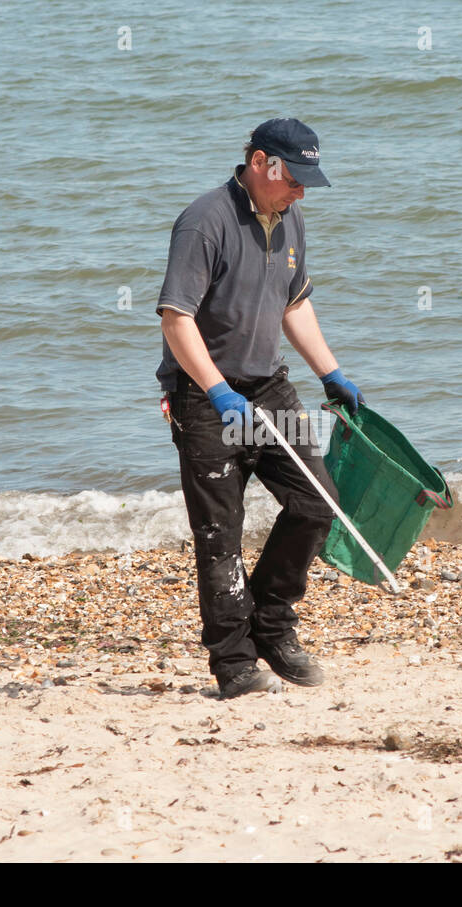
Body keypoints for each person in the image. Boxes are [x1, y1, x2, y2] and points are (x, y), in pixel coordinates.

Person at [156, 117, 365, 699]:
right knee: (220, 535)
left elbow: (293, 305)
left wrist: (332, 373)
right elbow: (178, 318)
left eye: (306, 180)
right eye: (294, 178)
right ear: (258, 163)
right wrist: (218, 391)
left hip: (270, 389)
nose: (301, 190)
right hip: (204, 396)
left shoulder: (290, 215)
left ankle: (273, 625)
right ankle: (234, 663)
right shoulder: (204, 222)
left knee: (316, 503)